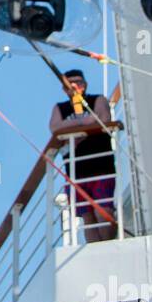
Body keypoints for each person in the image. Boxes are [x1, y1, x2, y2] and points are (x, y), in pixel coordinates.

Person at [47, 69, 116, 242]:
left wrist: (72, 126)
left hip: (101, 165)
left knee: (104, 210)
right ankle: (96, 248)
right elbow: (55, 128)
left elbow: (104, 118)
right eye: (70, 83)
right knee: (87, 217)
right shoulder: (60, 108)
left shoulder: (97, 100)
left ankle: (108, 243)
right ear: (65, 89)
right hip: (76, 172)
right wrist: (84, 122)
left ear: (85, 84)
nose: (75, 86)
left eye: (79, 82)